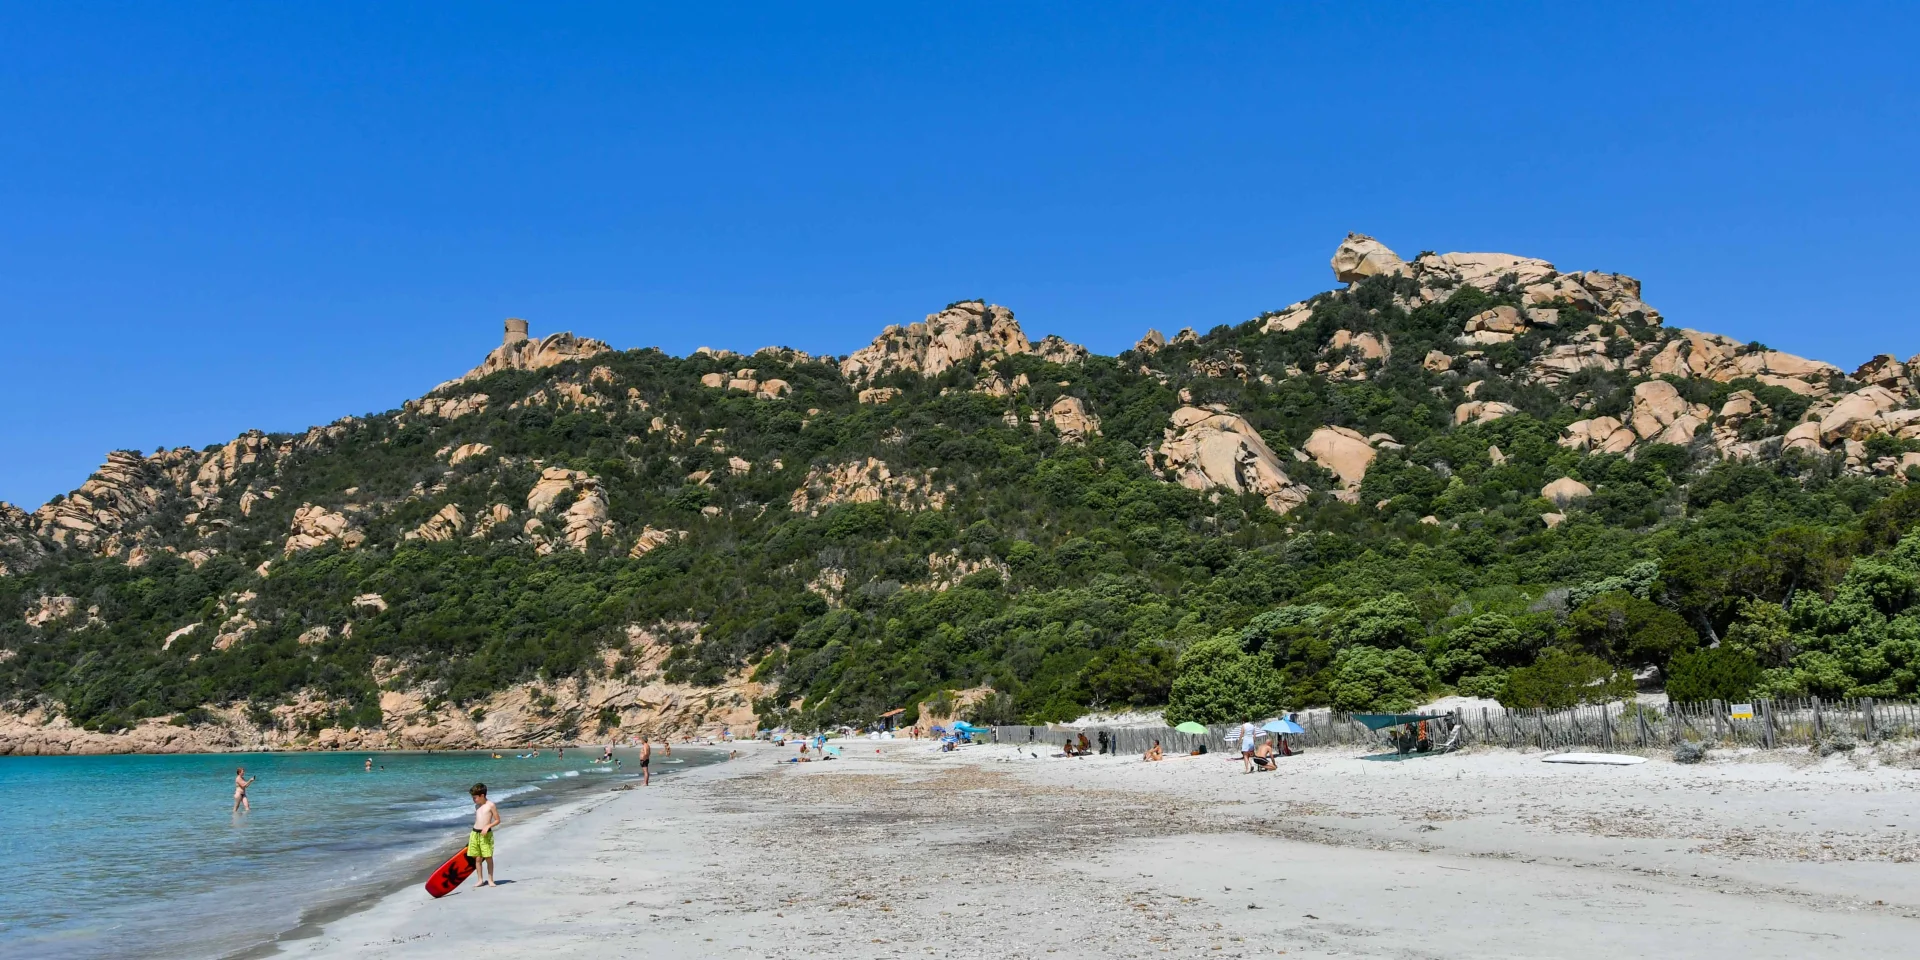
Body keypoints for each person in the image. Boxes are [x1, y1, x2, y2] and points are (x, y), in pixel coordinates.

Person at [468, 783, 500, 887]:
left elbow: (497, 820)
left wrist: (487, 826)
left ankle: (490, 880)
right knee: (477, 858)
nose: (474, 800)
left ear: (482, 795)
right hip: (475, 833)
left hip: (485, 835)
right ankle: (480, 880)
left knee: (488, 857)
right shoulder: (476, 806)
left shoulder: (490, 805)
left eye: (475, 797)